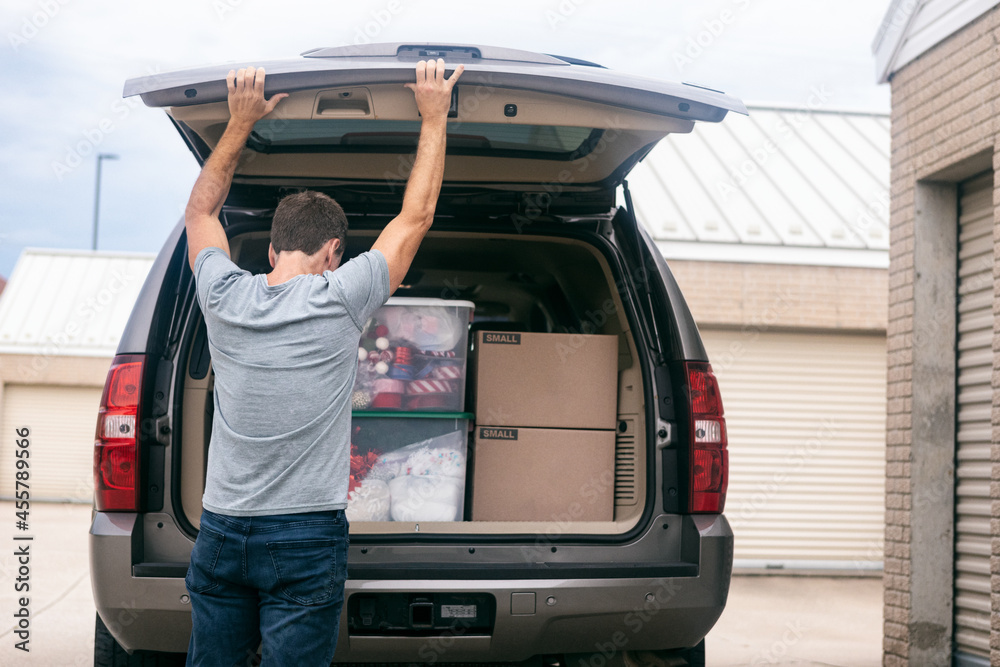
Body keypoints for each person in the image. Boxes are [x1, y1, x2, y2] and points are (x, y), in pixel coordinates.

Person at [182, 59, 464, 666]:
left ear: (275, 245)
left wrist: (240, 122)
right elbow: (414, 217)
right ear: (335, 252)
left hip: (223, 528)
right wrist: (434, 117)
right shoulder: (342, 297)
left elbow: (201, 214)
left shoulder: (225, 295)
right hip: (305, 535)